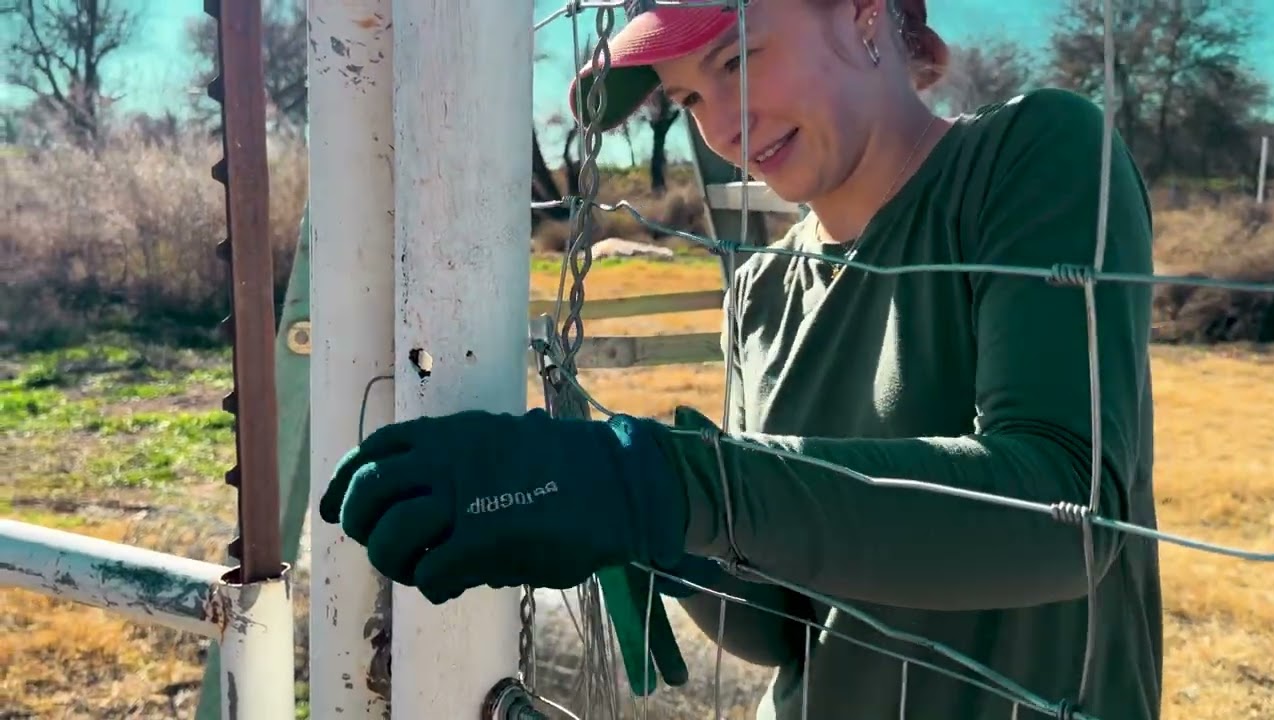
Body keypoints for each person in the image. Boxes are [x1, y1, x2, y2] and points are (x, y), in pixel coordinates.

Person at [318, 0, 1163, 718]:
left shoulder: (1034, 156)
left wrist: (662, 482)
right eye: (688, 96)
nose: (723, 125)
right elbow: (771, 627)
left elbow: (1067, 515)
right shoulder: (761, 290)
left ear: (866, 15)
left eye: (740, 60)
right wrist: (650, 535)